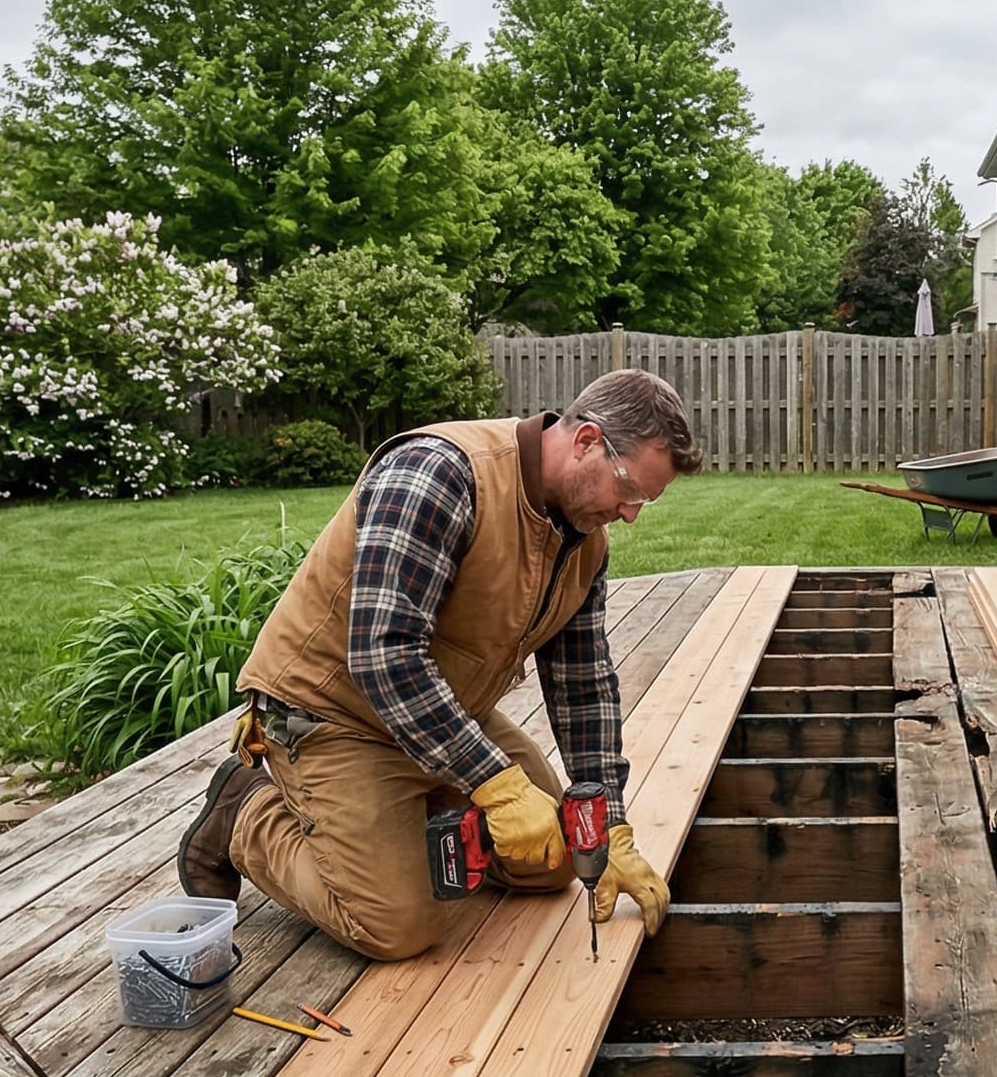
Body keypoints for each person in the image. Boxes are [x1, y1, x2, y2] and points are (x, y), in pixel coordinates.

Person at [177, 369, 703, 960]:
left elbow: (582, 684)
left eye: (645, 503)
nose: (630, 513)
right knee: (396, 926)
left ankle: (414, 810)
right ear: (586, 441)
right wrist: (495, 786)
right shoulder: (439, 474)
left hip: (440, 715)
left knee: (555, 861)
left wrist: (605, 820)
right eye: (630, 490)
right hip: (335, 716)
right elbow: (384, 653)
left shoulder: (584, 536)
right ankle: (243, 811)